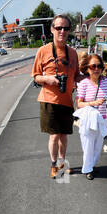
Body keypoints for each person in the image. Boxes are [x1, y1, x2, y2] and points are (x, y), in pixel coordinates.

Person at [31, 16, 80, 178]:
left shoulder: (73, 53)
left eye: (66, 28)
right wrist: (48, 79)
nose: (62, 31)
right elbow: (36, 76)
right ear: (52, 29)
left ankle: (62, 163)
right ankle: (53, 166)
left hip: (67, 101)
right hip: (49, 100)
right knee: (54, 135)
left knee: (64, 136)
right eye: (59, 28)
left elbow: (77, 75)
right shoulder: (43, 51)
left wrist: (94, 76)